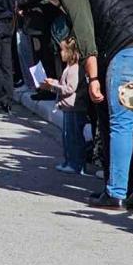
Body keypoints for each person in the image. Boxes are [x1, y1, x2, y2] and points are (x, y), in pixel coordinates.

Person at [51, 0, 133, 210]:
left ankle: (116, 192)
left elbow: (85, 35)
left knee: (121, 124)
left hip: (124, 54)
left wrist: (93, 78)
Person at [40, 36, 87, 175]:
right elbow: (65, 85)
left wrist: (52, 86)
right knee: (67, 136)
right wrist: (53, 82)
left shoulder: (74, 69)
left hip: (74, 107)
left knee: (73, 137)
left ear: (71, 52)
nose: (60, 53)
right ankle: (69, 161)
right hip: (68, 107)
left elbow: (70, 89)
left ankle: (76, 164)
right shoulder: (69, 68)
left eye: (63, 50)